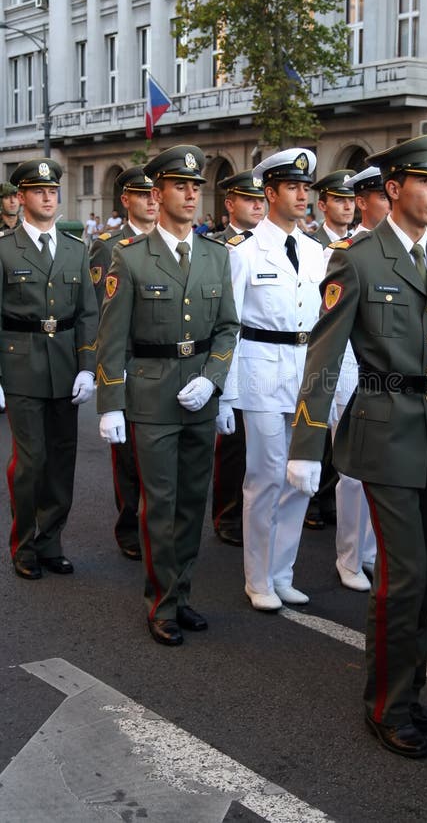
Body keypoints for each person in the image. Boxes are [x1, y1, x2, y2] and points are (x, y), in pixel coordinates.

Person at [287, 134, 427, 760]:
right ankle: (387, 705)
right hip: (385, 431)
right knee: (403, 576)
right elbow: (324, 356)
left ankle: (411, 688)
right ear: (394, 188)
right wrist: (306, 442)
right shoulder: (359, 259)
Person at [96, 145, 238, 646]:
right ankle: (161, 603)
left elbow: (227, 328)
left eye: (196, 186)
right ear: (156, 195)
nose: (191, 193)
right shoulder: (129, 256)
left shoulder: (217, 256)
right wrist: (110, 402)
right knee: (159, 503)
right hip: (151, 397)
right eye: (181, 185)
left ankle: (182, 592)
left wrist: (215, 379)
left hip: (199, 395)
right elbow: (112, 337)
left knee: (191, 503)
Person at [218, 148, 325, 611]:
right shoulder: (242, 251)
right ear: (270, 192)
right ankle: (257, 577)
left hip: (306, 372)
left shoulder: (317, 251)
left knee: (300, 479)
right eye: (294, 187)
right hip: (261, 370)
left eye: (307, 188)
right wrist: (227, 394)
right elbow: (230, 325)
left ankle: (283, 573)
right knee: (264, 478)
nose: (304, 195)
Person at [0, 158, 98, 580]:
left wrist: (87, 366)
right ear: (21, 198)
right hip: (20, 364)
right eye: (38, 191)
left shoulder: (77, 249)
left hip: (65, 365)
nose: (47, 197)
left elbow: (89, 314)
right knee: (31, 461)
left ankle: (51, 541)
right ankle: (23, 543)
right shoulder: (5, 248)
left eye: (53, 190)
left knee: (61, 460)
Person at [89, 166, 158, 561]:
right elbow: (104, 311)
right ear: (125, 200)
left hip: (163, 362)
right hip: (129, 360)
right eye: (142, 195)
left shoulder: (173, 238)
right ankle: (129, 524)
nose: (151, 201)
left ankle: (157, 522)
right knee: (129, 452)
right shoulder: (109, 244)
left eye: (154, 194)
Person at [327, 166, 389, 590]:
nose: (391, 203)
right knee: (351, 468)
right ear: (365, 201)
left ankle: (370, 551)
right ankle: (349, 556)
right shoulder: (344, 250)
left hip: (386, 371)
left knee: (380, 466)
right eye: (383, 196)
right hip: (347, 364)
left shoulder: (403, 252)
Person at [211, 170, 265, 546]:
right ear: (230, 204)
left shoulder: (276, 245)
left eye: (262, 199)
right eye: (250, 199)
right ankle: (228, 514)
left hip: (269, 355)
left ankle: (259, 513)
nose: (258, 205)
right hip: (236, 350)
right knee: (234, 443)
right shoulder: (218, 248)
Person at [304, 170, 356, 532]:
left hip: (352, 351)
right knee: (317, 430)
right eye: (340, 199)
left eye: (351, 199)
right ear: (322, 205)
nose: (348, 206)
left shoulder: (357, 246)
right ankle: (316, 499)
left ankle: (333, 497)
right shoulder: (312, 246)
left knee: (345, 432)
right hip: (320, 348)